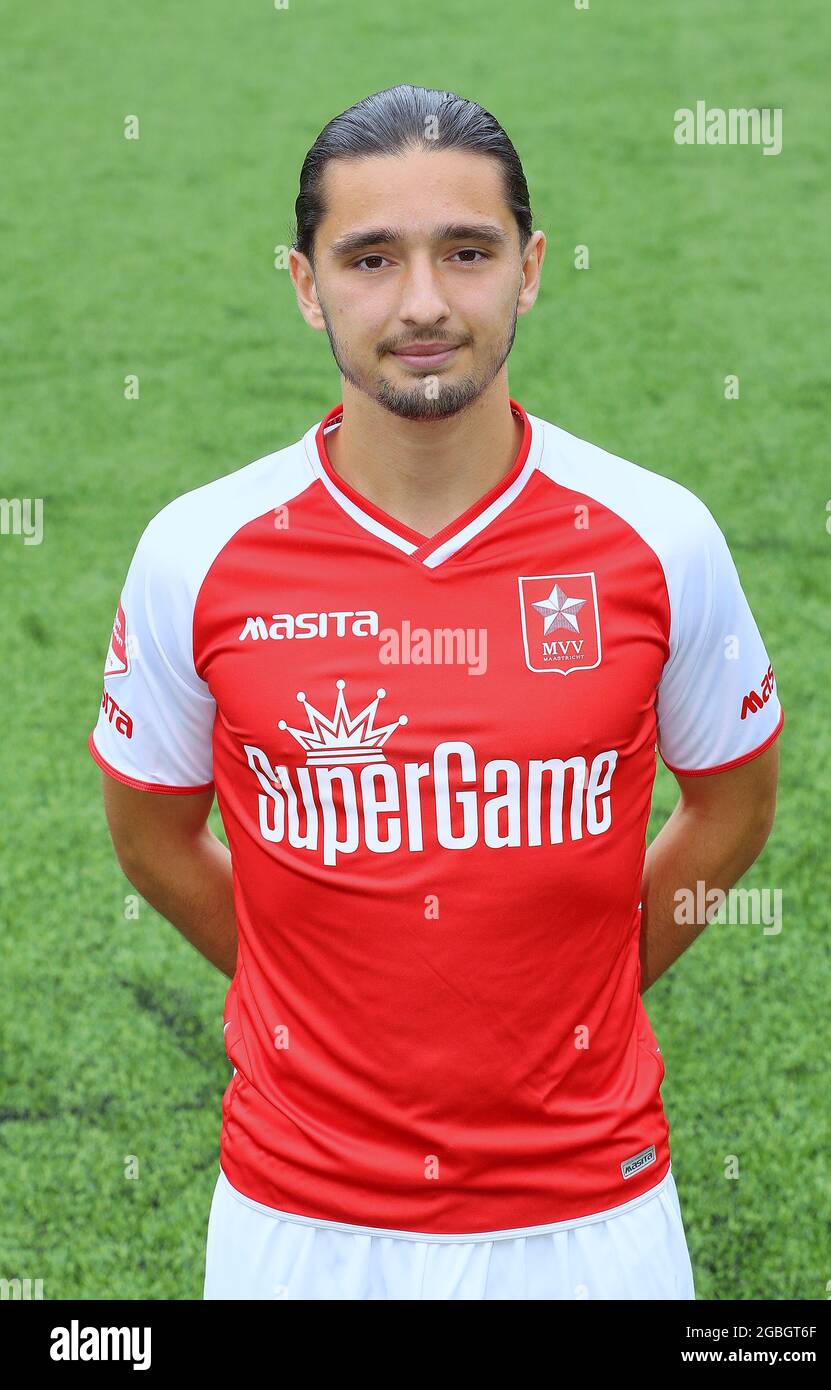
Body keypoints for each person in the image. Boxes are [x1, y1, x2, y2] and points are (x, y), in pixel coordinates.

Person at [89, 84, 783, 1300]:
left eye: (465, 252)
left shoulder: (658, 537)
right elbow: (153, 834)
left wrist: (583, 990)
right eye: (369, 258)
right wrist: (307, 992)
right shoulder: (195, 552)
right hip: (295, 1220)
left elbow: (728, 808)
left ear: (528, 269)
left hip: (595, 1216)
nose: (421, 303)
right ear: (306, 283)